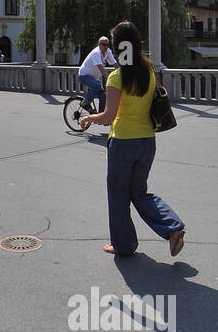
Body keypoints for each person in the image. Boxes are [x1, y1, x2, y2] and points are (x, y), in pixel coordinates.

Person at [85, 20, 183, 259]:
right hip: (147, 142)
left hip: (123, 143)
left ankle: (124, 245)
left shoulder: (117, 77)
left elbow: (109, 117)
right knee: (139, 192)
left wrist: (89, 117)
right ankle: (173, 228)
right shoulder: (149, 71)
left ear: (118, 48)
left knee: (118, 195)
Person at [76, 35, 114, 113]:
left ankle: (101, 115)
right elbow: (100, 67)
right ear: (99, 44)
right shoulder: (96, 53)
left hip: (93, 78)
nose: (105, 47)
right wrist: (108, 78)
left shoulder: (108, 52)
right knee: (96, 86)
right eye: (103, 44)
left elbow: (114, 63)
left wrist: (122, 73)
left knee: (103, 95)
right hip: (84, 76)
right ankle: (85, 102)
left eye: (107, 45)